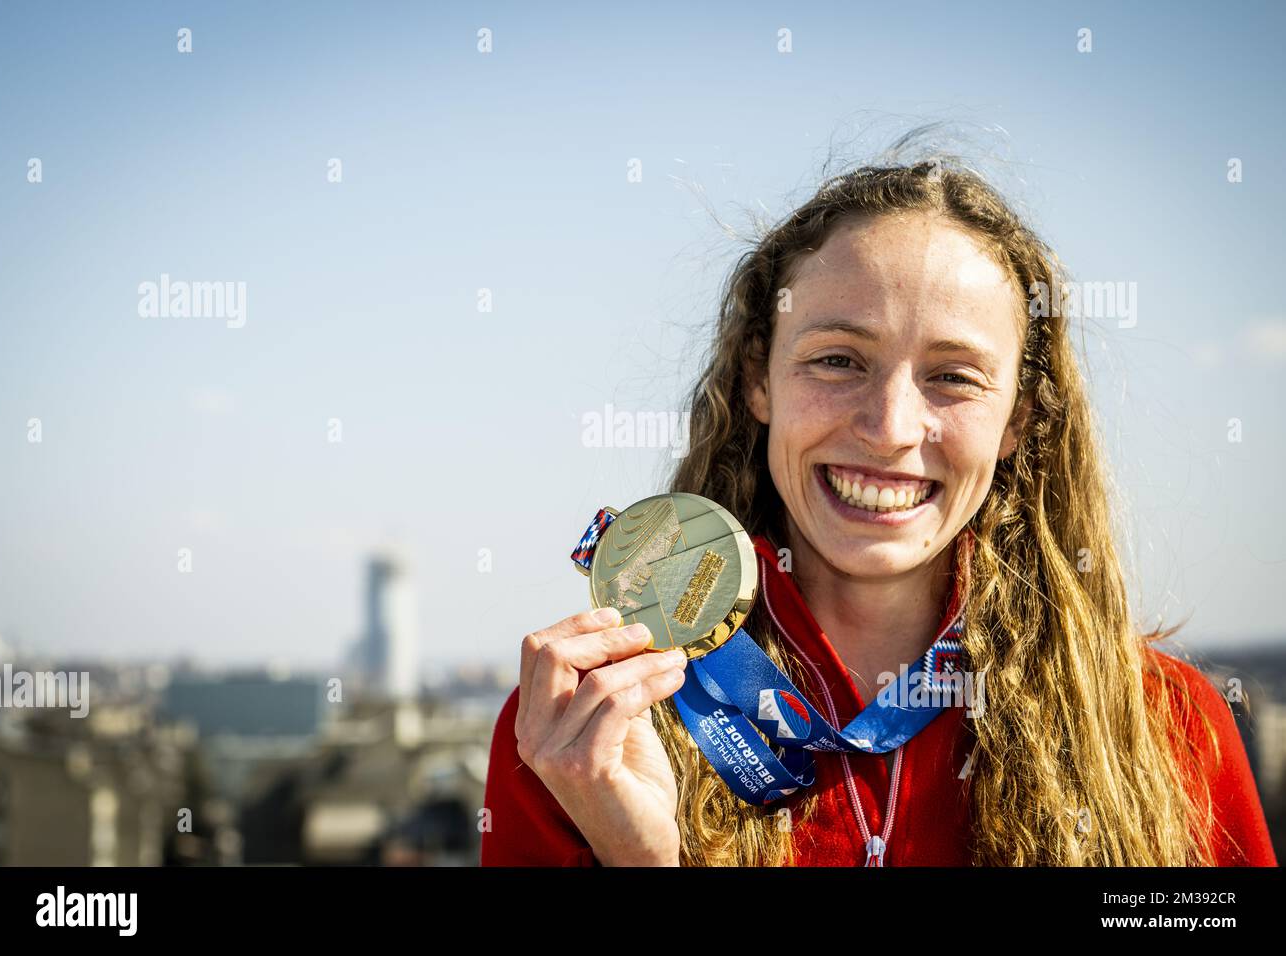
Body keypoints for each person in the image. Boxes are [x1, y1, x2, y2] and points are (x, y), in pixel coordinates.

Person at [481, 143, 1278, 867]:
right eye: (837, 360)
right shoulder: (583, 731)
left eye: (954, 375)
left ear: (1020, 419)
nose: (890, 428)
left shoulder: (1163, 724)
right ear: (759, 379)